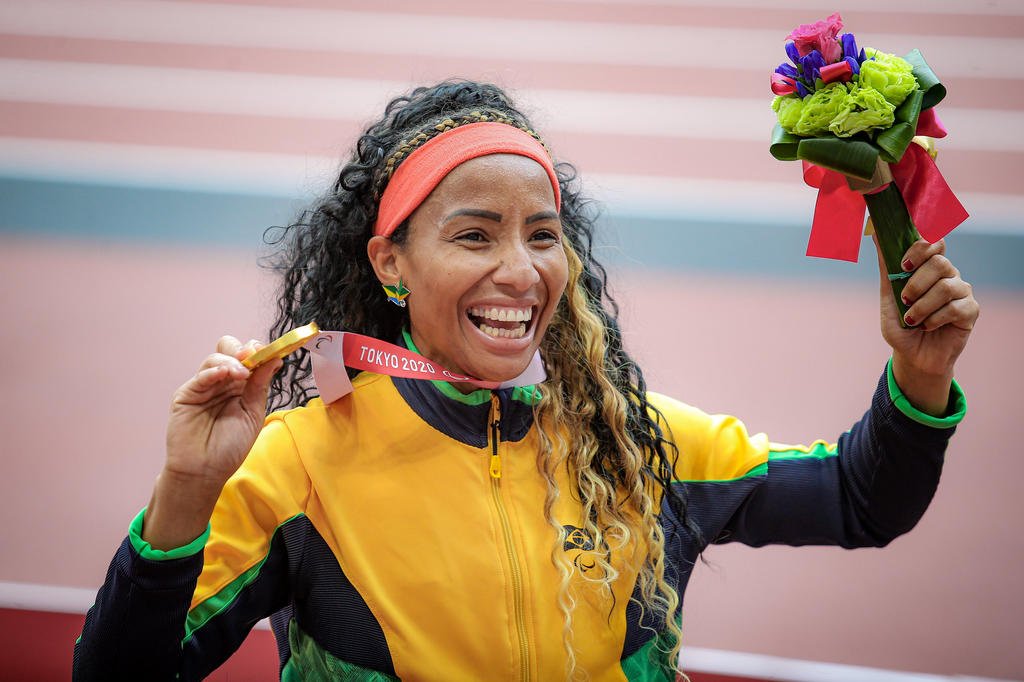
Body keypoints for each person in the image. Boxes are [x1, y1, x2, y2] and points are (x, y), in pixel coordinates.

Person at [73, 80, 978, 681]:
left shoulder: (636, 441)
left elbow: (864, 501)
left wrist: (920, 372)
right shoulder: (298, 465)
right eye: (474, 235)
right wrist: (188, 489)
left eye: (543, 235)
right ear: (392, 264)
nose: (521, 270)